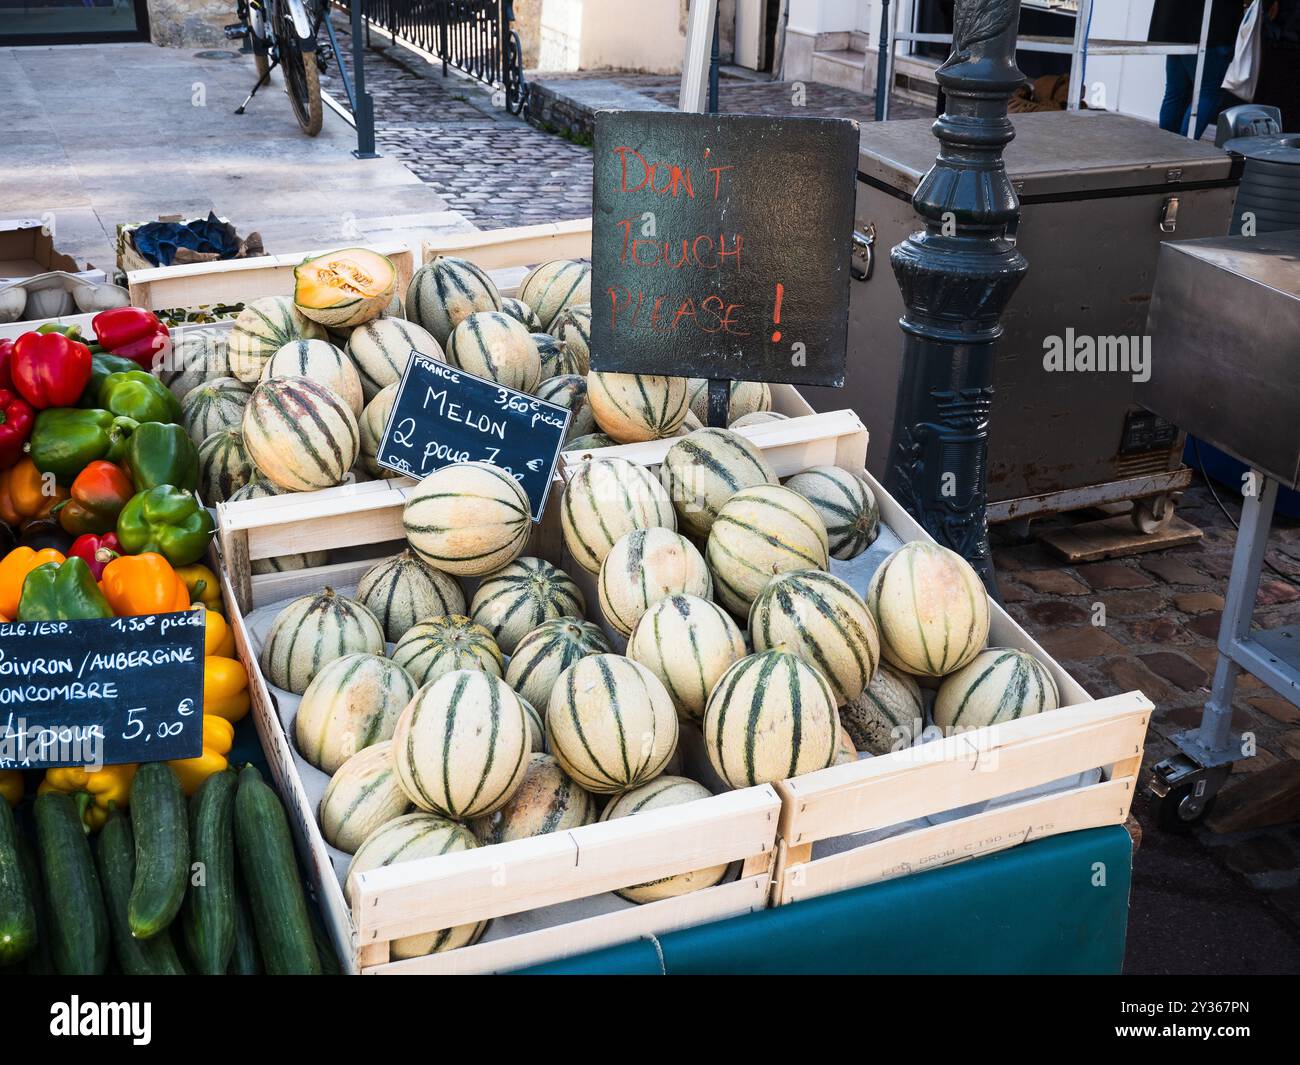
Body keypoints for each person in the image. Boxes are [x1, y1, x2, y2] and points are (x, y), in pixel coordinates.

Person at [1149, 0, 1247, 138]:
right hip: (1211, 25)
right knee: (1209, 92)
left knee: (1175, 92)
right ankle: (1184, 150)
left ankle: (1167, 148)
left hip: (1173, 22)